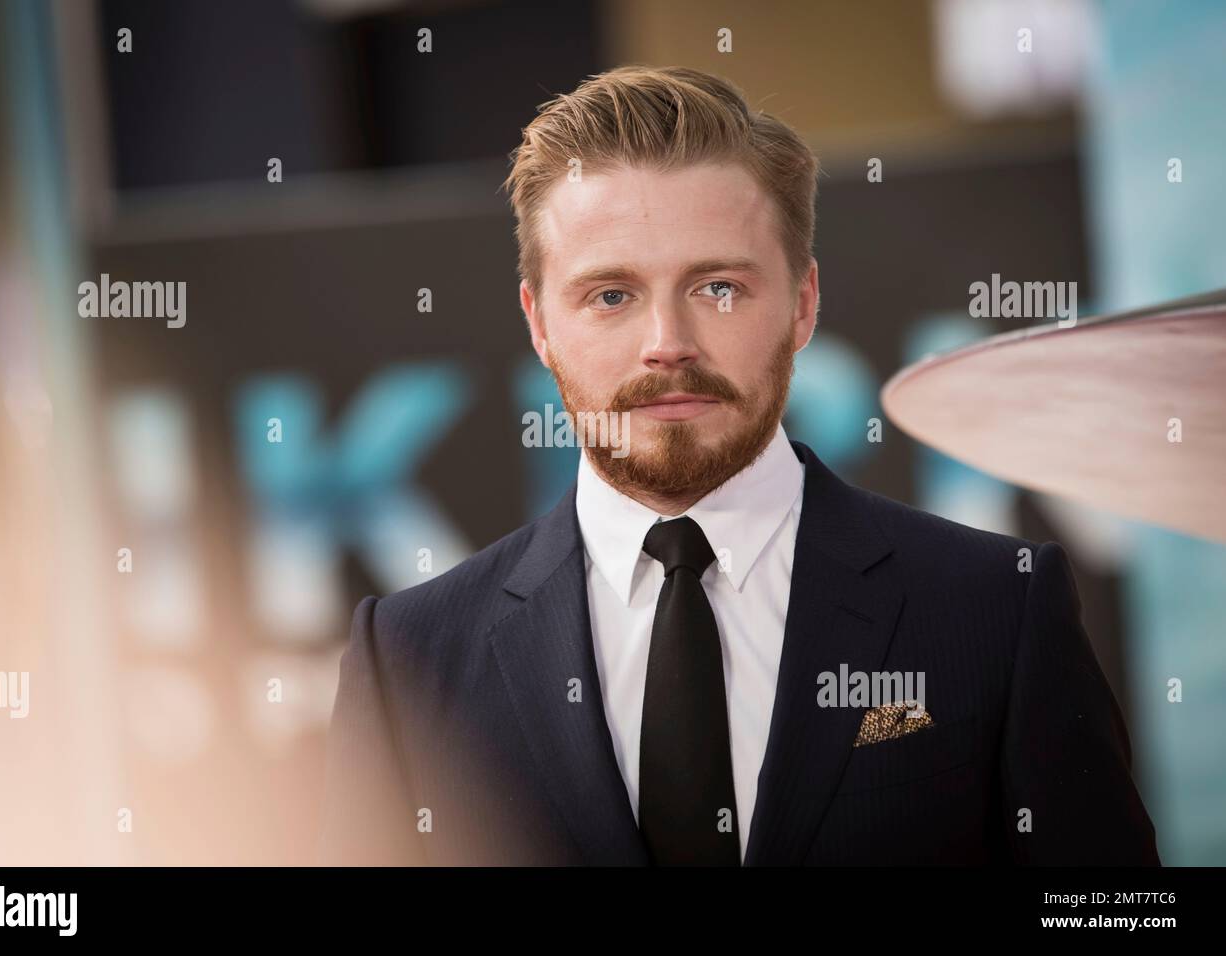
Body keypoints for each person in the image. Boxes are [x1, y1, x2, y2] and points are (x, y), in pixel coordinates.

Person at [319, 65, 1159, 866]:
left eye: (718, 287)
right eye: (610, 295)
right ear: (539, 323)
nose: (668, 346)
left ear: (802, 303)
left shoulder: (996, 609)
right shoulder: (409, 665)